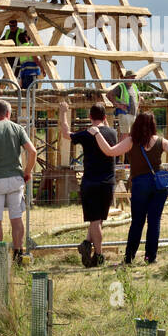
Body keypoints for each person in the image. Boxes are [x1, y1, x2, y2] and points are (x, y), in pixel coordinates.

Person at [90, 110, 168, 264]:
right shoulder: (160, 141)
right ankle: (150, 258)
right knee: (154, 221)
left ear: (137, 124)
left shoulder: (132, 141)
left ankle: (129, 258)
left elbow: (110, 151)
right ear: (153, 125)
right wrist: (167, 171)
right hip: (159, 185)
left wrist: (97, 134)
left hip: (140, 184)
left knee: (137, 222)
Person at [0, 99, 38, 265]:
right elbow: (32, 152)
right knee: (16, 218)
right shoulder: (18, 129)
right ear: (8, 113)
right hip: (15, 179)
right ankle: (18, 254)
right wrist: (27, 172)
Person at [59, 102, 117, 267]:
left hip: (91, 182)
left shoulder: (86, 134)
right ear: (105, 118)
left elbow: (65, 133)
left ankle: (98, 255)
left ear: (90, 117)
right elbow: (105, 128)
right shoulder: (112, 133)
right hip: (108, 182)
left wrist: (63, 112)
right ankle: (86, 243)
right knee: (98, 220)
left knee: (94, 220)